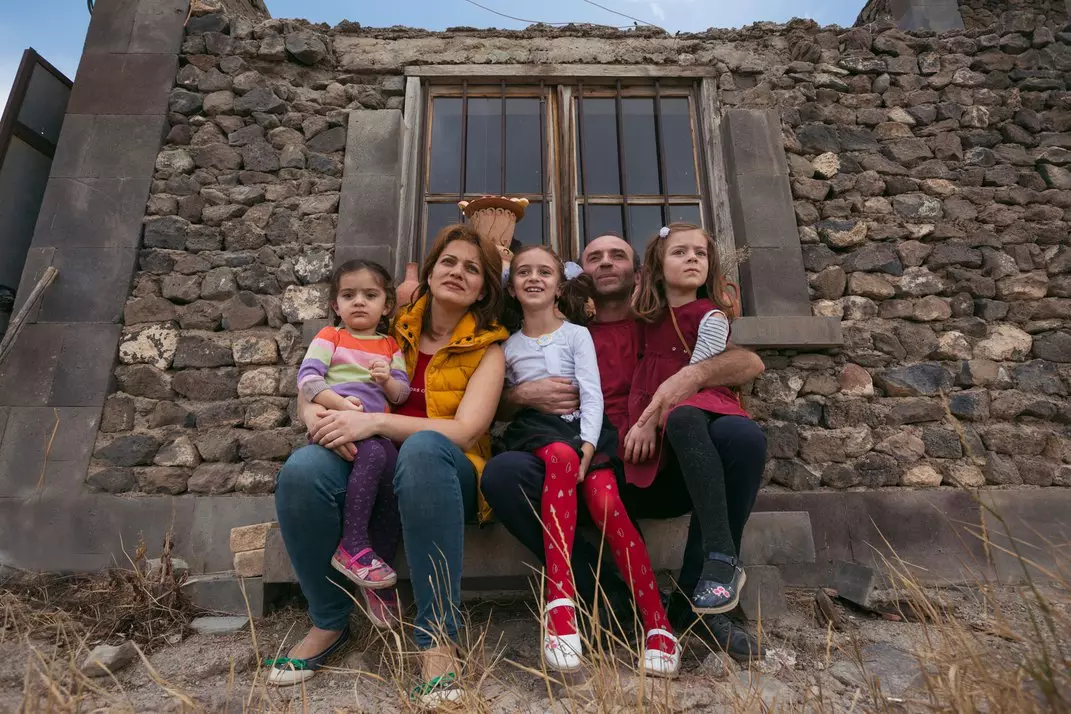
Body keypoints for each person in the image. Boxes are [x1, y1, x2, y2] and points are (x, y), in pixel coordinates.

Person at [481, 231, 768, 661]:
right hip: (582, 460)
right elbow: (497, 402)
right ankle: (605, 593)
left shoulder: (660, 322)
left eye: (617, 255)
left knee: (741, 437)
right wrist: (522, 396)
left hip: (656, 467)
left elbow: (749, 362)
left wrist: (686, 379)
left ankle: (702, 598)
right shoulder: (566, 332)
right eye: (594, 257)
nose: (606, 262)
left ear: (637, 271)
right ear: (579, 275)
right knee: (503, 476)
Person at [271, 224, 508, 707]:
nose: (458, 273)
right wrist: (312, 413)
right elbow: (320, 372)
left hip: (448, 472)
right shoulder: (389, 325)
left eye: (472, 269)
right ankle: (329, 620)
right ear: (431, 269)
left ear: (484, 288)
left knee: (423, 450)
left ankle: (437, 639)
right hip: (372, 460)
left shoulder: (489, 350)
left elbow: (463, 432)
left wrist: (374, 421)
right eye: (449, 262)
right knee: (302, 471)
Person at [499, 245, 679, 677]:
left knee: (605, 501)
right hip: (537, 434)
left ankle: (657, 623)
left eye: (545, 271)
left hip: (585, 432)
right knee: (559, 457)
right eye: (524, 271)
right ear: (511, 286)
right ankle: (560, 606)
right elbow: (502, 404)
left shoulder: (578, 334)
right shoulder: (506, 345)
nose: (535, 278)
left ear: (560, 286)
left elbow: (592, 391)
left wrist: (587, 443)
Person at [623, 223, 750, 615]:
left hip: (698, 401)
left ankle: (721, 555)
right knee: (678, 422)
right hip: (666, 408)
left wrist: (648, 420)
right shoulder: (647, 319)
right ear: (658, 268)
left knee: (689, 420)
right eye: (680, 252)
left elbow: (691, 378)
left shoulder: (709, 315)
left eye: (700, 252)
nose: (693, 257)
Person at [296, 259, 410, 591]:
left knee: (393, 484)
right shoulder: (330, 335)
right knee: (374, 456)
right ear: (336, 304)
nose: (359, 301)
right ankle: (353, 545)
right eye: (349, 295)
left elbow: (401, 395)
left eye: (370, 295)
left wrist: (386, 381)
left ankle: (378, 575)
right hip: (337, 421)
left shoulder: (390, 347)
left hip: (375, 429)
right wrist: (342, 406)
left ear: (387, 305)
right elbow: (308, 379)